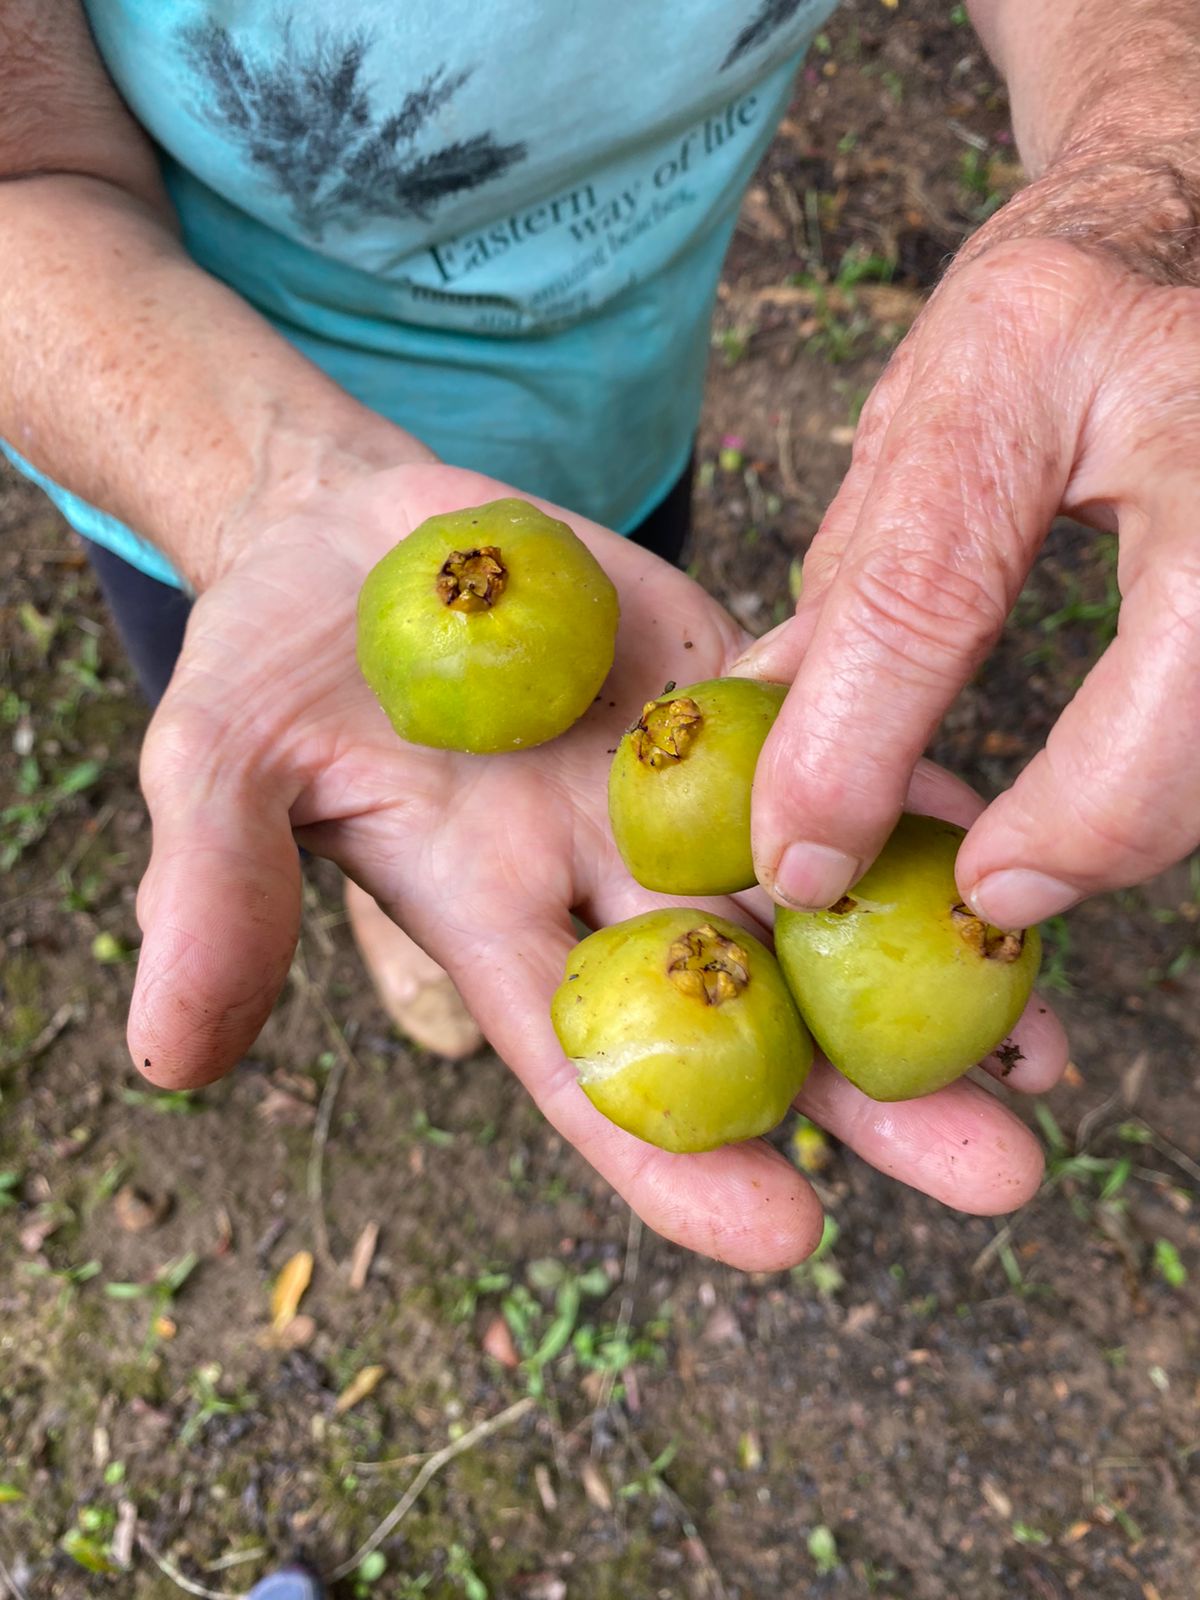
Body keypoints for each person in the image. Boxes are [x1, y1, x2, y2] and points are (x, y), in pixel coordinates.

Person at [3, 1, 1198, 1589]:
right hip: (211, 448)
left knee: (651, 597)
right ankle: (399, 906)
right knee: (305, 733)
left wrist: (1143, 183)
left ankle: (463, 882)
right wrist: (256, 488)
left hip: (622, 417)